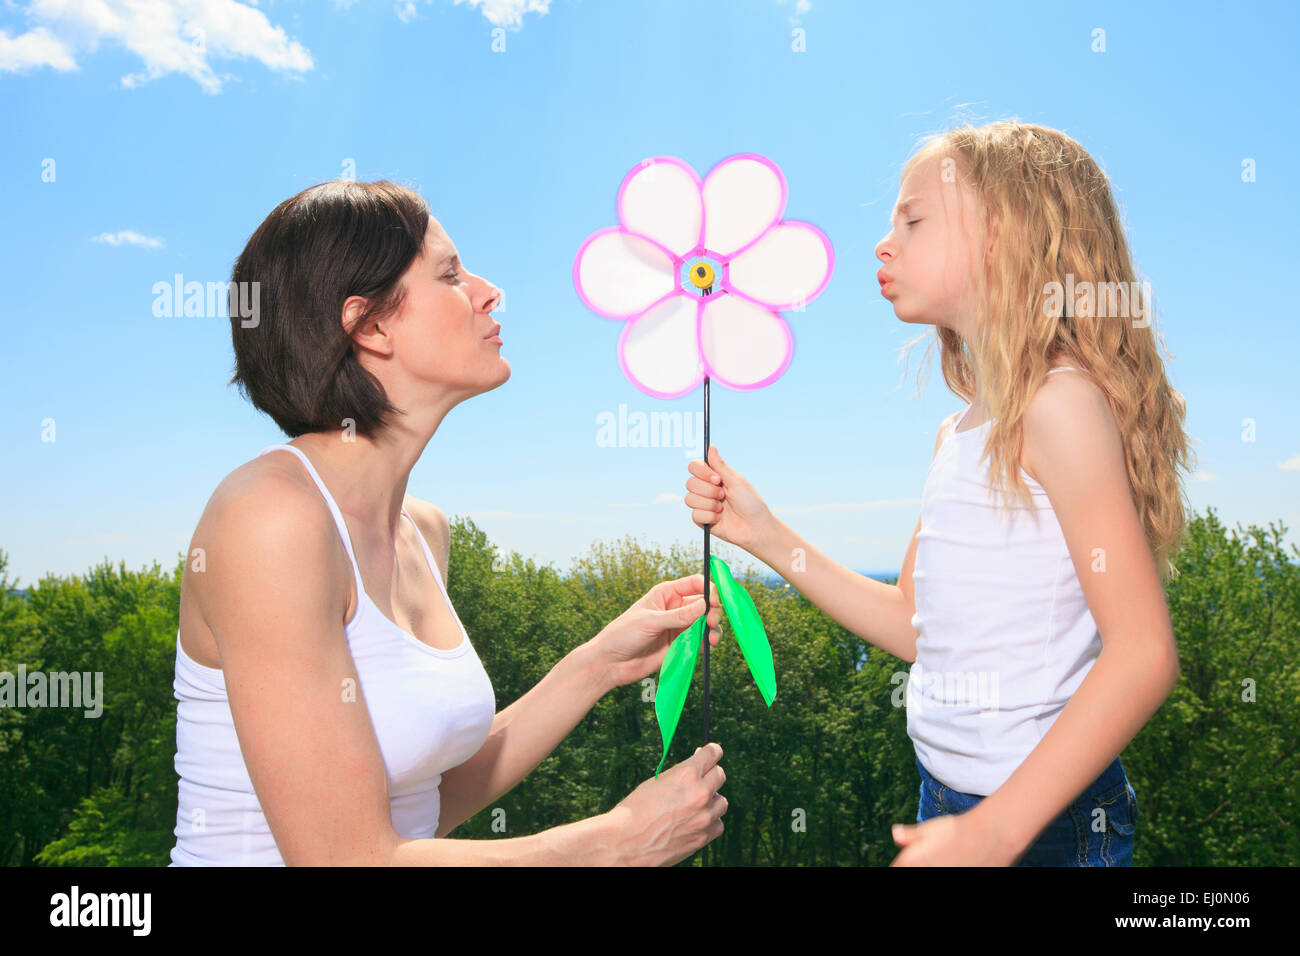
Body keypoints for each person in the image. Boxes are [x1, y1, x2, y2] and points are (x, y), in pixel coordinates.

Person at [169, 179, 727, 866]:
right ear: (370, 326)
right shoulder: (270, 521)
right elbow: (347, 859)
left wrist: (597, 665)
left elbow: (420, 804)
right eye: (451, 274)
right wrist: (614, 844)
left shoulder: (423, 531)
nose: (489, 291)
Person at [683, 121, 1192, 866]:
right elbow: (918, 630)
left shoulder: (1061, 406)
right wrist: (765, 534)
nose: (884, 245)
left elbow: (1144, 654)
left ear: (1009, 235)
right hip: (949, 798)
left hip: (1043, 820)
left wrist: (998, 828)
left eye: (913, 220)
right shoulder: (957, 433)